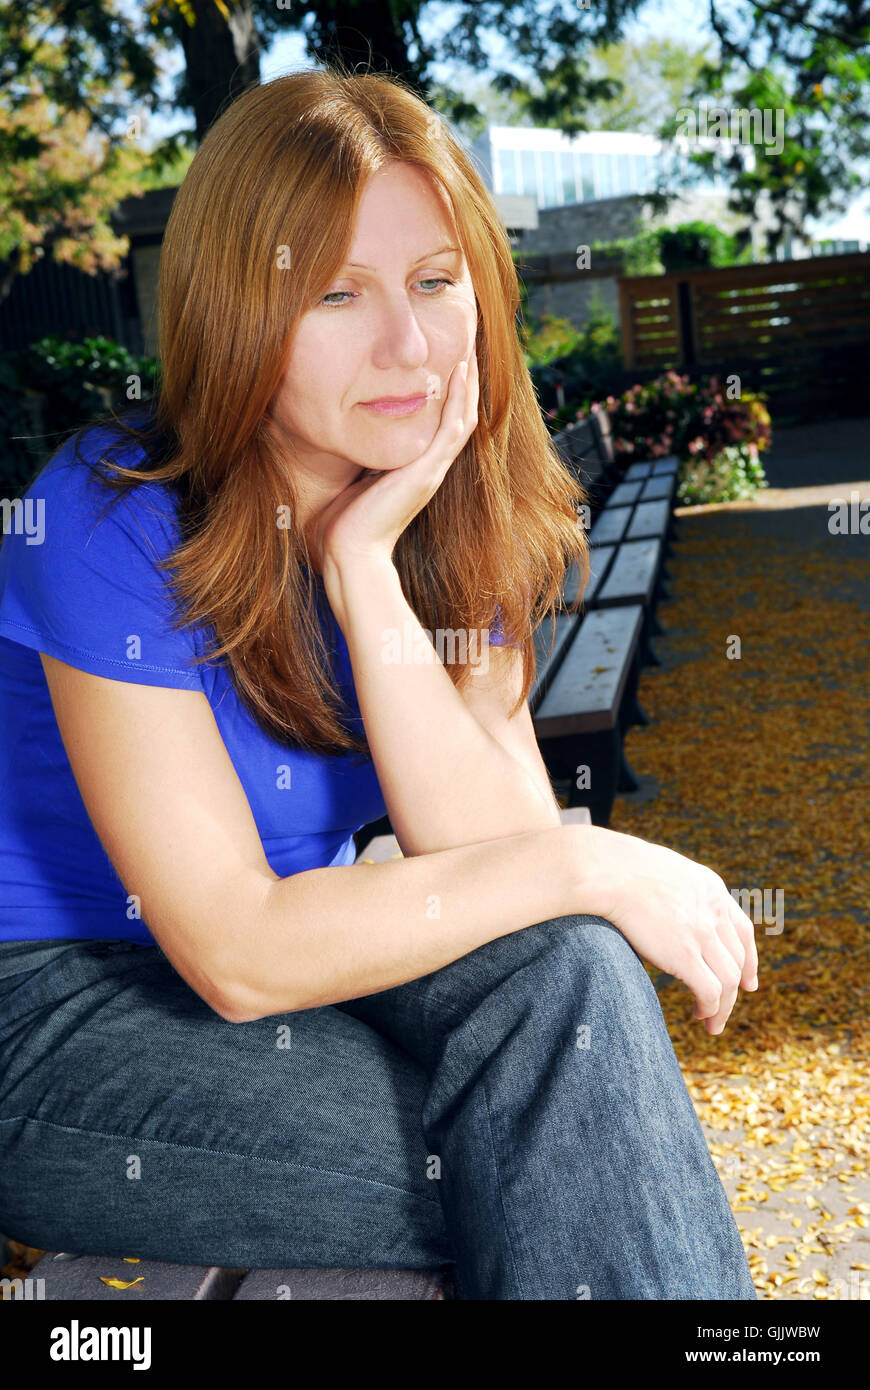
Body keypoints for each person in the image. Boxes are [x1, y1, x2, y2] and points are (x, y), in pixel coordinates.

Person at [0, 66, 758, 1300]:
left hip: (316, 944)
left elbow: (504, 870)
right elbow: (236, 948)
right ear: (238, 311)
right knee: (557, 1154)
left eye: (434, 282)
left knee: (567, 987)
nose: (406, 345)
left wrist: (362, 567)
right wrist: (597, 858)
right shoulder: (107, 513)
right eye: (337, 295)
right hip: (54, 1009)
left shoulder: (450, 515)